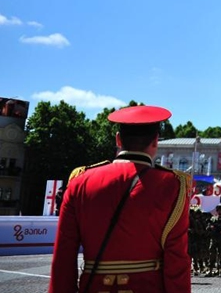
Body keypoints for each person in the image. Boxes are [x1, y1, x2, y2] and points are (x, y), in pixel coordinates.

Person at [49, 105, 191, 293]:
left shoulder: (80, 181)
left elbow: (63, 258)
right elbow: (177, 262)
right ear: (156, 141)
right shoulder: (173, 185)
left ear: (118, 140)